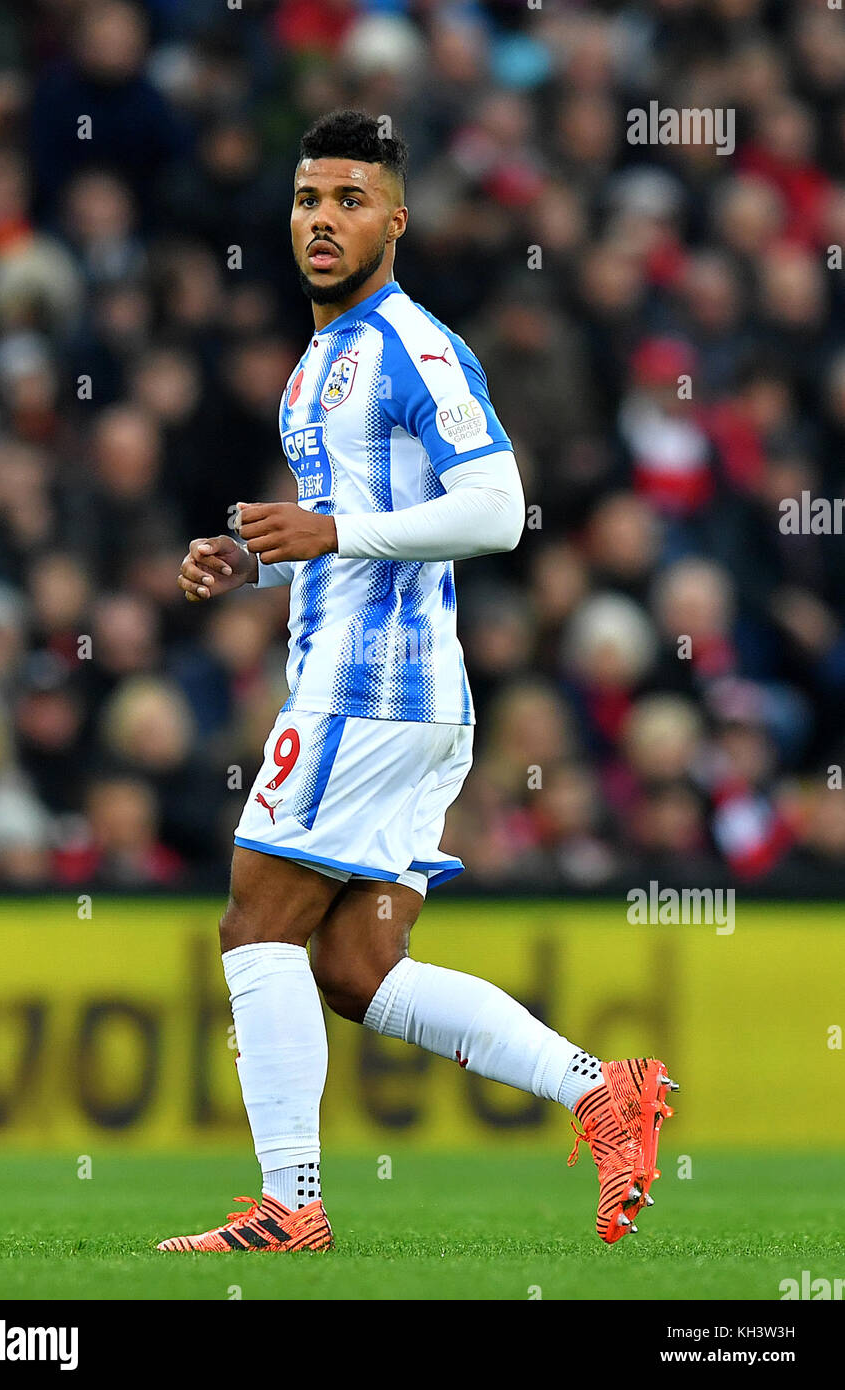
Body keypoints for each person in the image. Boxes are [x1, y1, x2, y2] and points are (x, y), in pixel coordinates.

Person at [161, 111, 676, 1254]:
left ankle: (291, 1204)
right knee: (351, 964)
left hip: (370, 690)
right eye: (307, 200)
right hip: (383, 687)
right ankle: (603, 1090)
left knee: (255, 924)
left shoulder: (413, 347)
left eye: (349, 200)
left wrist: (333, 527)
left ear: (397, 219)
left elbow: (497, 510)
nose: (323, 220)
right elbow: (349, 538)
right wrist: (251, 558)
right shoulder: (314, 366)